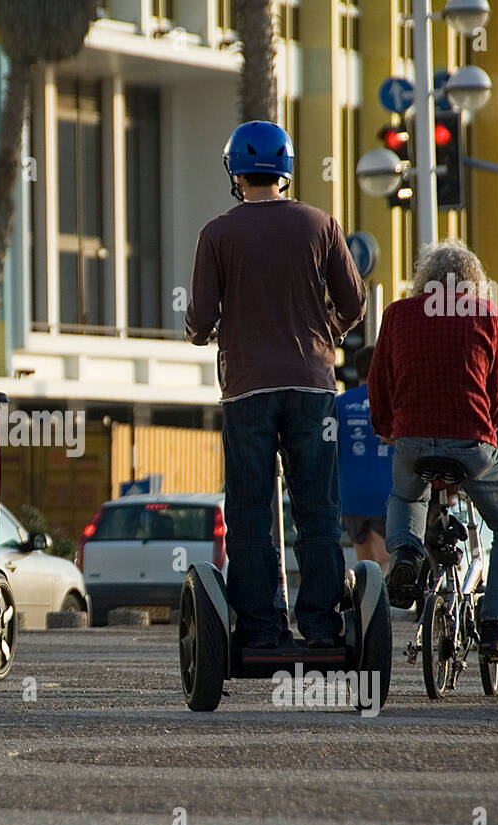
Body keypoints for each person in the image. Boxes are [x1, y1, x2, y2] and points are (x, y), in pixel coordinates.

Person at [186, 121, 366, 649]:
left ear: (235, 173)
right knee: (318, 511)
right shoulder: (320, 225)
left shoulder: (217, 234)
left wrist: (204, 334)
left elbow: (199, 317)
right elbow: (354, 304)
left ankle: (261, 629)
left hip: (247, 390)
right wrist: (325, 333)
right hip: (312, 387)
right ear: (285, 171)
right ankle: (322, 627)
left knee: (249, 513)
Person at [367, 239, 498, 661]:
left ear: (425, 279)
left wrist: (388, 429)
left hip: (411, 440)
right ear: (474, 281)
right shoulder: (488, 315)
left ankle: (405, 554)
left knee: (407, 494)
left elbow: (379, 382)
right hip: (471, 442)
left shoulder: (397, 315)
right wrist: (490, 428)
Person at [336, 346, 393, 570]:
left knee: (366, 562)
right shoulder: (391, 404)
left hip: (351, 495)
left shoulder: (340, 404)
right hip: (386, 493)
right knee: (384, 562)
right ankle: (379, 603)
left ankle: (367, 602)